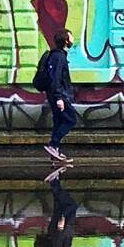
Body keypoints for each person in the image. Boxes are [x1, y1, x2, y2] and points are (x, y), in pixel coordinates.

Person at [39, 28, 77, 164]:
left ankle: (54, 150)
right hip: (58, 95)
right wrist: (59, 98)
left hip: (55, 94)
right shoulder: (59, 57)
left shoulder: (58, 55)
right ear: (66, 40)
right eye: (71, 37)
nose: (73, 39)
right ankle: (53, 144)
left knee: (59, 121)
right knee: (71, 119)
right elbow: (56, 78)